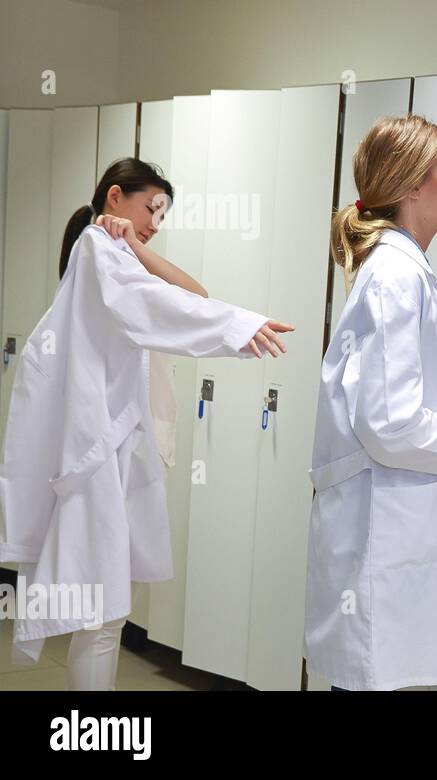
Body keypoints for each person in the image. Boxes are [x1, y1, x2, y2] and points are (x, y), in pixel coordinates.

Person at [0, 158, 294, 690]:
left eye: (163, 213)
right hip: (97, 460)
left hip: (114, 456)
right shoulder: (95, 248)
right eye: (150, 208)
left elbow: (190, 296)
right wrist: (239, 326)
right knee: (101, 611)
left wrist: (136, 244)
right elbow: (152, 306)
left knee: (107, 610)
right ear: (116, 197)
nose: (157, 220)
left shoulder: (115, 253)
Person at [305, 115, 437, 691]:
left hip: (391, 526)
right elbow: (387, 424)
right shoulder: (394, 274)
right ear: (413, 186)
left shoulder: (403, 268)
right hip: (378, 529)